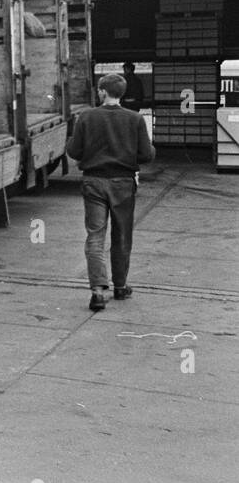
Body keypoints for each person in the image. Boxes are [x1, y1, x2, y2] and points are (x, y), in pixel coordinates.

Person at [65, 74, 155, 311]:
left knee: (95, 236)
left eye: (99, 90)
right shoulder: (135, 119)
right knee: (122, 236)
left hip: (94, 183)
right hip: (123, 185)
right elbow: (147, 155)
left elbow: (74, 151)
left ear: (103, 92)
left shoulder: (86, 117)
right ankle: (120, 287)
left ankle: (97, 292)